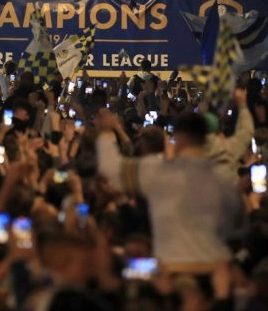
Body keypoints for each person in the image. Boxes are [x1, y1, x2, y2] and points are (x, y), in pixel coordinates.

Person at [96, 111, 244, 273]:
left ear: (180, 140)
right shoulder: (223, 179)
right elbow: (236, 227)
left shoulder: (159, 171)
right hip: (212, 272)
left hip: (170, 268)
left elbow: (110, 170)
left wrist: (106, 132)